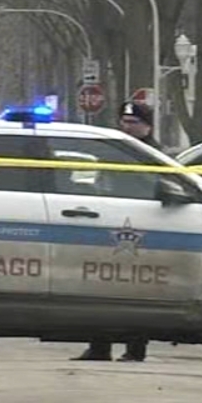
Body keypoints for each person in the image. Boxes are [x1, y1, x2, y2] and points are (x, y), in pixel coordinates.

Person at [73, 101, 157, 363]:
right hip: (111, 224)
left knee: (137, 291)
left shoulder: (155, 154)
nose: (127, 127)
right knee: (102, 288)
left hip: (142, 227)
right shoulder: (112, 151)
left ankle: (135, 349)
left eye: (134, 123)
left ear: (147, 126)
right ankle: (99, 347)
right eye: (124, 122)